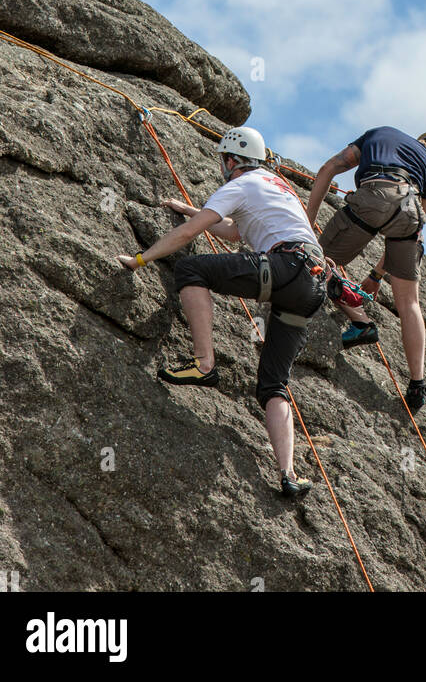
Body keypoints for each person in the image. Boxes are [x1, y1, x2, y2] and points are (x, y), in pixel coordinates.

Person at [118, 126, 326, 499]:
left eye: (223, 161)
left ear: (231, 160)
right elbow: (236, 231)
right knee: (274, 384)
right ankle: (288, 473)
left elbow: (189, 235)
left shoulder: (240, 185)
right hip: (312, 283)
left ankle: (204, 363)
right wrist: (194, 210)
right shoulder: (278, 185)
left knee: (191, 269)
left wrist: (141, 258)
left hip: (285, 266)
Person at [306, 128, 426, 412]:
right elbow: (414, 224)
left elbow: (331, 167)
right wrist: (376, 275)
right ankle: (417, 384)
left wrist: (306, 225)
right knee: (409, 303)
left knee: (309, 261)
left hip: (377, 191)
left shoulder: (382, 134)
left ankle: (361, 321)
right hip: (409, 207)